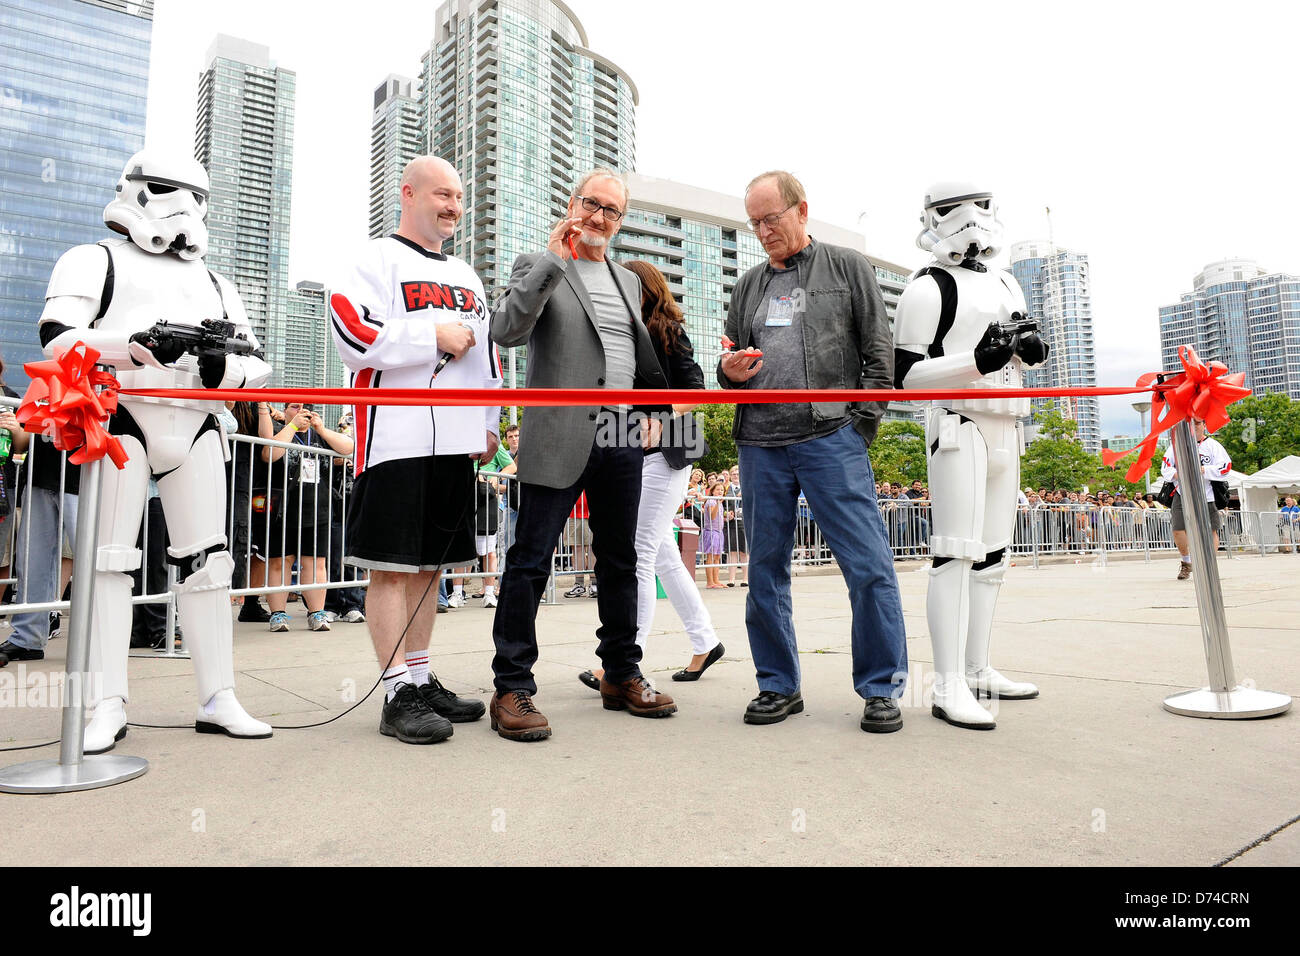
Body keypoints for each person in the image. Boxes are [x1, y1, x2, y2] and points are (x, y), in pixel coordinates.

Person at [34, 149, 273, 751]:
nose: (184, 208)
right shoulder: (94, 260)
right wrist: (131, 346)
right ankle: (105, 700)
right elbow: (58, 341)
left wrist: (225, 370)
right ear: (135, 190)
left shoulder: (217, 283)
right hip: (120, 414)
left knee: (211, 563)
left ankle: (218, 694)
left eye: (197, 196)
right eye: (169, 190)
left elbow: (257, 363)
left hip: (195, 421)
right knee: (109, 559)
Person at [717, 170, 907, 733]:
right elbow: (728, 364)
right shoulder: (748, 284)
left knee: (867, 566)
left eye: (771, 218)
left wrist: (859, 428)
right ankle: (777, 685)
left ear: (802, 211)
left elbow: (880, 355)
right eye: (754, 222)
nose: (762, 231)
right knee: (765, 571)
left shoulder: (847, 267)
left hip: (830, 438)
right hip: (760, 444)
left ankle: (880, 688)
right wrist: (728, 374)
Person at [488, 168, 675, 741]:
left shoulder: (629, 280)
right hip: (559, 435)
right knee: (530, 559)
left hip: (621, 438)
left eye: (611, 211)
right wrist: (548, 259)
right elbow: (507, 330)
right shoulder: (539, 267)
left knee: (620, 560)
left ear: (620, 221)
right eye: (590, 204)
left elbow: (640, 363)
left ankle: (621, 672)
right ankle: (512, 685)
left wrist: (655, 415)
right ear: (572, 204)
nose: (598, 217)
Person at [329, 155, 501, 744]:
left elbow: (487, 358)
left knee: (431, 567)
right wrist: (430, 333)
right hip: (394, 434)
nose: (454, 206)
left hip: (455, 438)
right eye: (442, 195)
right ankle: (395, 690)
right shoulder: (372, 258)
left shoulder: (469, 276)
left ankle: (422, 678)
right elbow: (352, 333)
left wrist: (490, 421)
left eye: (459, 197)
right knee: (392, 566)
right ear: (408, 194)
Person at [577, 259, 723, 689]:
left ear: (643, 289)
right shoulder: (619, 332)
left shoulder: (668, 331)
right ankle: (705, 640)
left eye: (624, 285)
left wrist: (662, 417)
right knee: (659, 552)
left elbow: (695, 392)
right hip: (630, 453)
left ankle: (622, 661)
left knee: (639, 552)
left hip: (668, 453)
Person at [258, 402, 354, 632]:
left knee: (315, 562)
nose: (302, 411)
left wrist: (320, 428)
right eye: (295, 406)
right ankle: (278, 615)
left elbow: (347, 447)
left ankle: (316, 612)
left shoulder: (318, 434)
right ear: (285, 410)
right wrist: (291, 425)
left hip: (316, 506)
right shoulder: (280, 430)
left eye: (307, 407)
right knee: (280, 561)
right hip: (283, 507)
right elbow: (269, 453)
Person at [1161, 418, 1231, 580]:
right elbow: (1165, 467)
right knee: (1178, 528)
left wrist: (1202, 469)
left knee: (1210, 529)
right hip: (1182, 491)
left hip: (1206, 493)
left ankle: (1209, 565)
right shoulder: (1176, 446)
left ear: (1204, 425)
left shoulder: (1213, 446)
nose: (1194, 427)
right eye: (1190, 424)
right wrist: (1180, 473)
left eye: (1198, 423)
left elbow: (1225, 467)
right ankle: (1187, 562)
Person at [724, 463, 748, 587]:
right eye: (733, 474)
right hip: (732, 522)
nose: (735, 476)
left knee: (744, 551)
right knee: (732, 551)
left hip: (744, 521)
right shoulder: (726, 488)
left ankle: (745, 579)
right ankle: (731, 579)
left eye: (737, 474)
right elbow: (722, 504)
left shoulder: (746, 486)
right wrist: (726, 513)